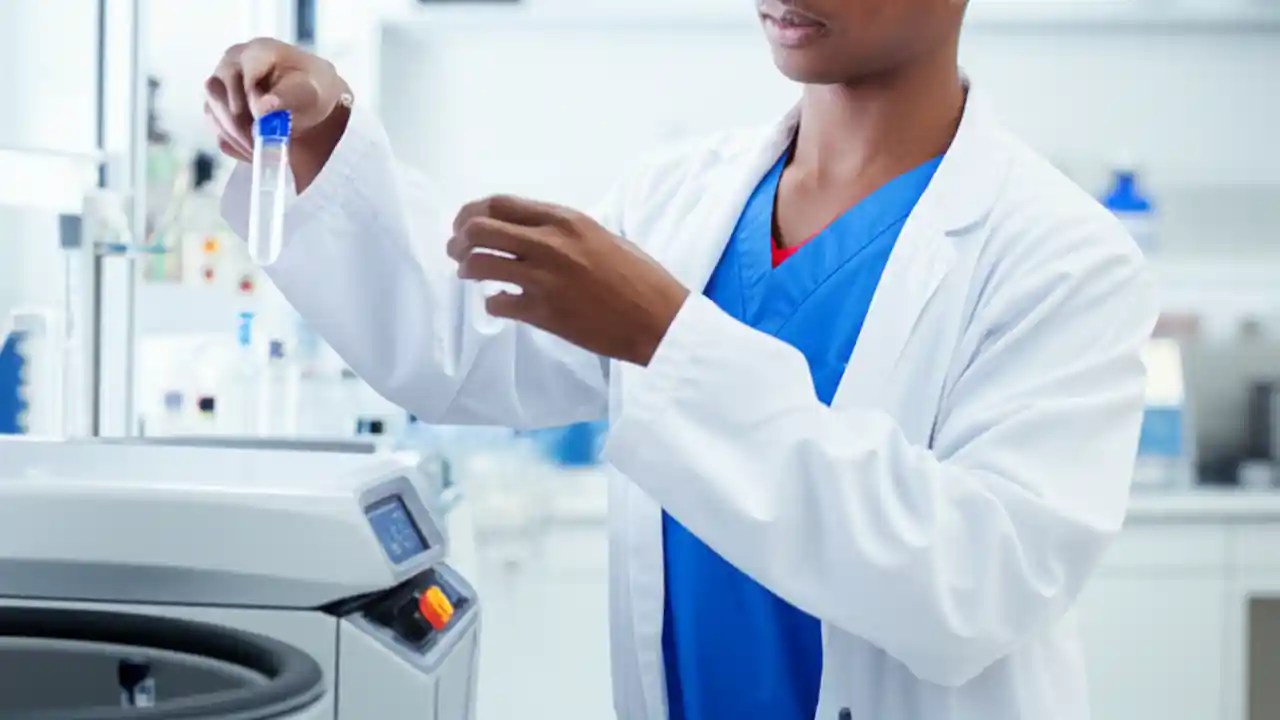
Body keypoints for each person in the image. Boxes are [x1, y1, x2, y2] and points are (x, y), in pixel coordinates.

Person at [206, 0, 1157, 717]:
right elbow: (464, 350)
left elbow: (975, 585)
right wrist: (322, 146)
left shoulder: (1063, 256)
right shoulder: (678, 200)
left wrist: (666, 337)